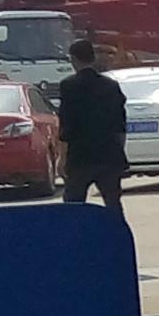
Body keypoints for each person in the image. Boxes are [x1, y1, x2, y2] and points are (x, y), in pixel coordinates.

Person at [52, 36, 131, 209]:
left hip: (80, 156)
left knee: (74, 205)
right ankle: (116, 226)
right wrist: (119, 151)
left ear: (73, 59)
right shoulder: (110, 86)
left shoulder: (69, 86)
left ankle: (79, 228)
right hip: (109, 154)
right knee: (113, 203)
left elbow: (67, 124)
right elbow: (120, 124)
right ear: (93, 58)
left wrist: (62, 158)